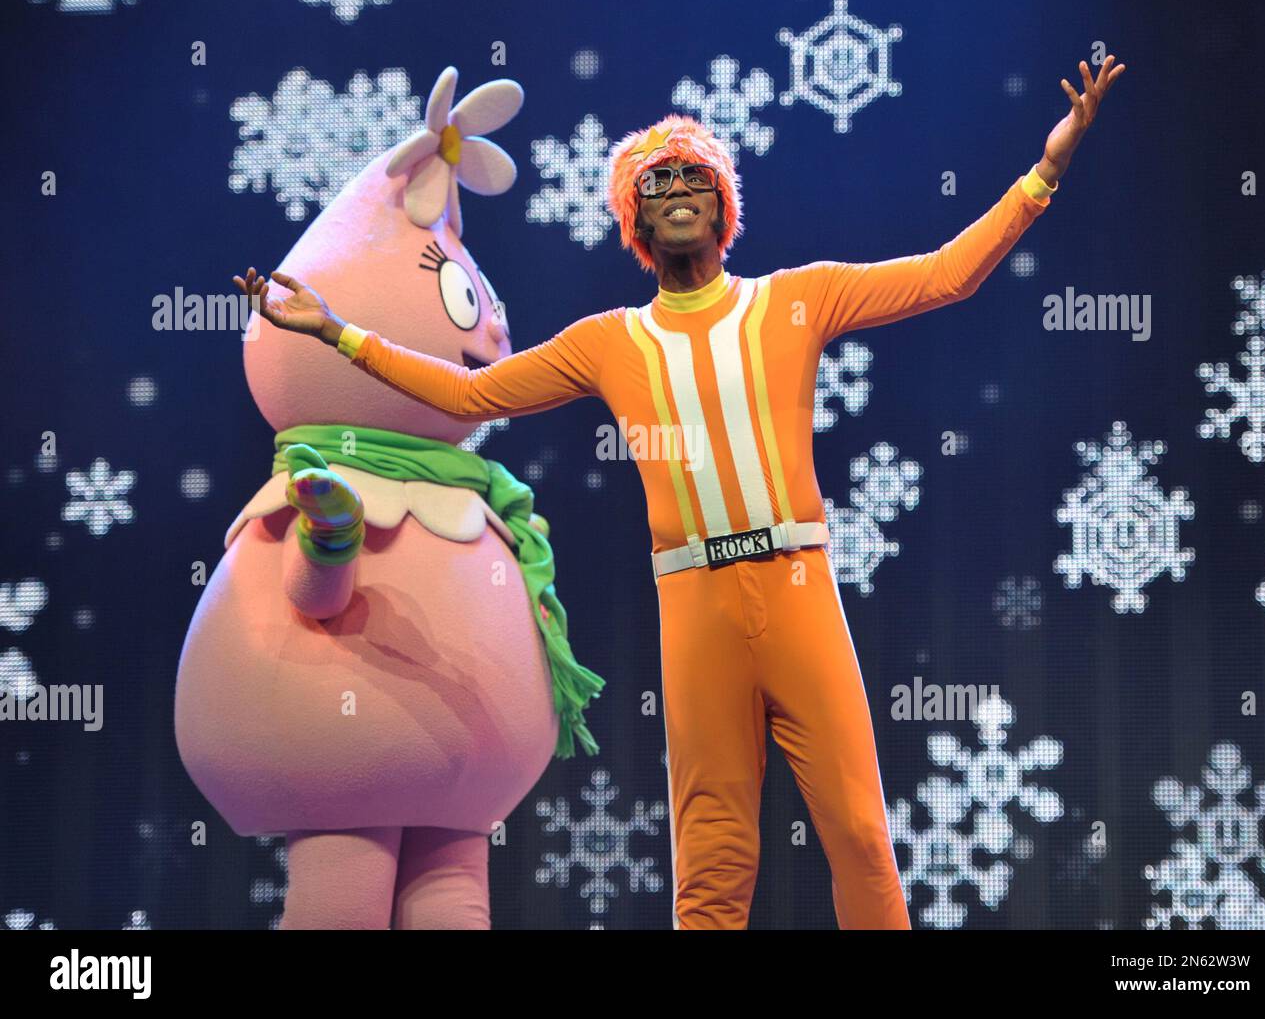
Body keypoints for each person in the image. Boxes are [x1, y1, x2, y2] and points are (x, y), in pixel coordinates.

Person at [237, 54, 1125, 929]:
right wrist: (338, 333)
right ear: (636, 219)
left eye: (690, 174)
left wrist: (1044, 171)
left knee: (858, 831)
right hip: (693, 602)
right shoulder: (610, 342)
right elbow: (473, 395)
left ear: (721, 203)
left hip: (798, 587)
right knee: (710, 861)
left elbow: (946, 274)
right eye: (654, 182)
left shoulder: (796, 301)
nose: (674, 189)